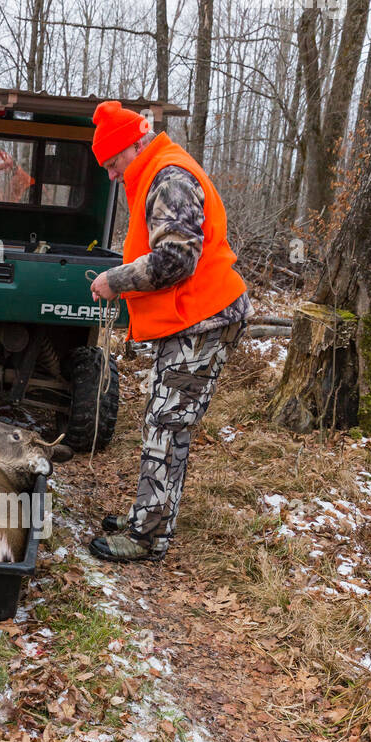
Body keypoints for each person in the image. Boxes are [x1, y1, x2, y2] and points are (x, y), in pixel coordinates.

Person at [87, 101, 251, 563]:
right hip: (194, 318)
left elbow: (176, 260)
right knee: (167, 422)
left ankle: (146, 537)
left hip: (204, 319)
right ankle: (151, 519)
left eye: (113, 163)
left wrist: (115, 281)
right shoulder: (156, 173)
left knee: (167, 423)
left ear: (134, 146)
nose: (112, 175)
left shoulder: (170, 179)